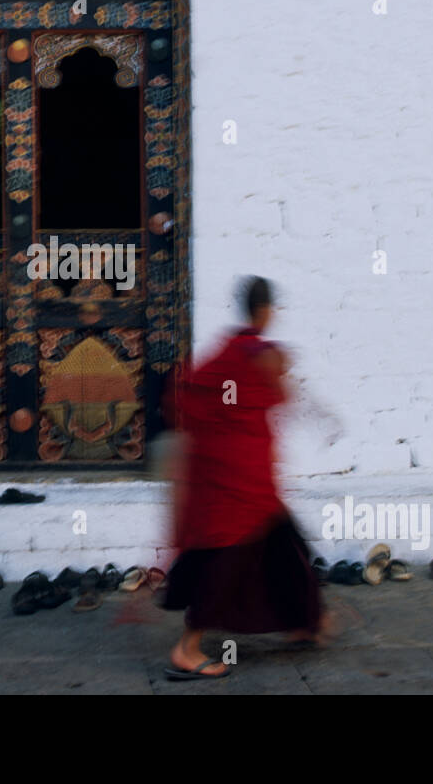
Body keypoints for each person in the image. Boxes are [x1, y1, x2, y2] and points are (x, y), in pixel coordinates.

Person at [160, 276, 328, 679]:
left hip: (236, 473)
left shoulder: (225, 355)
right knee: (227, 562)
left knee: (286, 544)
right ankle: (187, 647)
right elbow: (278, 394)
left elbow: (187, 399)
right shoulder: (258, 356)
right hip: (238, 481)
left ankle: (304, 622)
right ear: (267, 311)